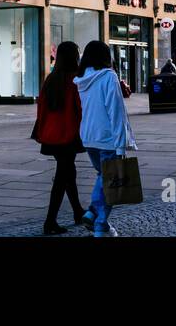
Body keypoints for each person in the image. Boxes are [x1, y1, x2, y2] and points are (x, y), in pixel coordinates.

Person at [74, 40, 137, 237]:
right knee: (112, 180)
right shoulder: (109, 77)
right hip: (107, 138)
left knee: (104, 177)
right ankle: (98, 221)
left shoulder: (82, 78)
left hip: (88, 137)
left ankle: (98, 219)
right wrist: (120, 146)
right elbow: (115, 112)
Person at [33, 41, 88, 235]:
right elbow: (80, 109)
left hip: (51, 134)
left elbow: (41, 109)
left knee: (68, 172)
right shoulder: (74, 80)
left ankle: (78, 211)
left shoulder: (51, 79)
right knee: (62, 176)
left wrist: (41, 130)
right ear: (74, 57)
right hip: (69, 134)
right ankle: (50, 221)